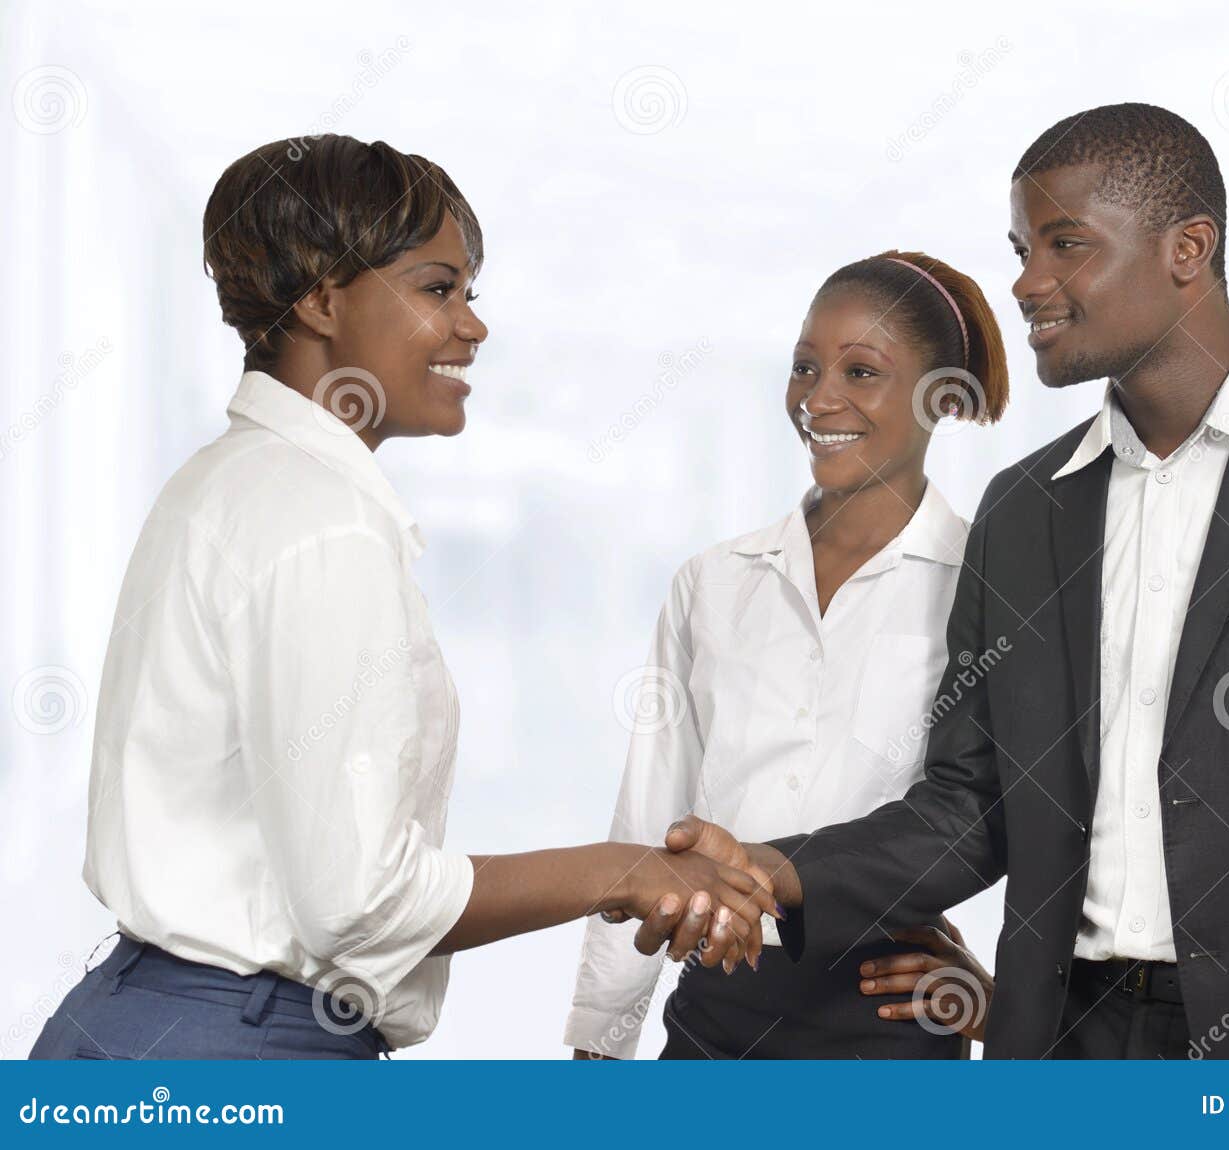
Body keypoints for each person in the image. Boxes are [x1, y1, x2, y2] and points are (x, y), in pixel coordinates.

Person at [637, 103, 1229, 1059]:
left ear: (1188, 247)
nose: (1027, 281)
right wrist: (777, 869)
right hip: (1068, 1042)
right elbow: (968, 804)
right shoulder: (1026, 510)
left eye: (1065, 244)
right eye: (1021, 247)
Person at [30, 136, 769, 1061]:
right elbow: (358, 899)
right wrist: (625, 869)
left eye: (470, 293)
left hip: (138, 1023)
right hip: (236, 1047)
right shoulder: (320, 519)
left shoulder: (233, 478)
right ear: (323, 298)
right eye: (436, 289)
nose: (472, 326)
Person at [568, 252, 1008, 1059]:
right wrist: (601, 1042)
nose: (818, 397)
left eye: (861, 370)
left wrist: (1009, 1004)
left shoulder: (984, 586)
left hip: (889, 1023)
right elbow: (645, 818)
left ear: (943, 398)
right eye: (804, 366)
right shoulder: (713, 583)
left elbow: (993, 814)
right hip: (714, 1014)